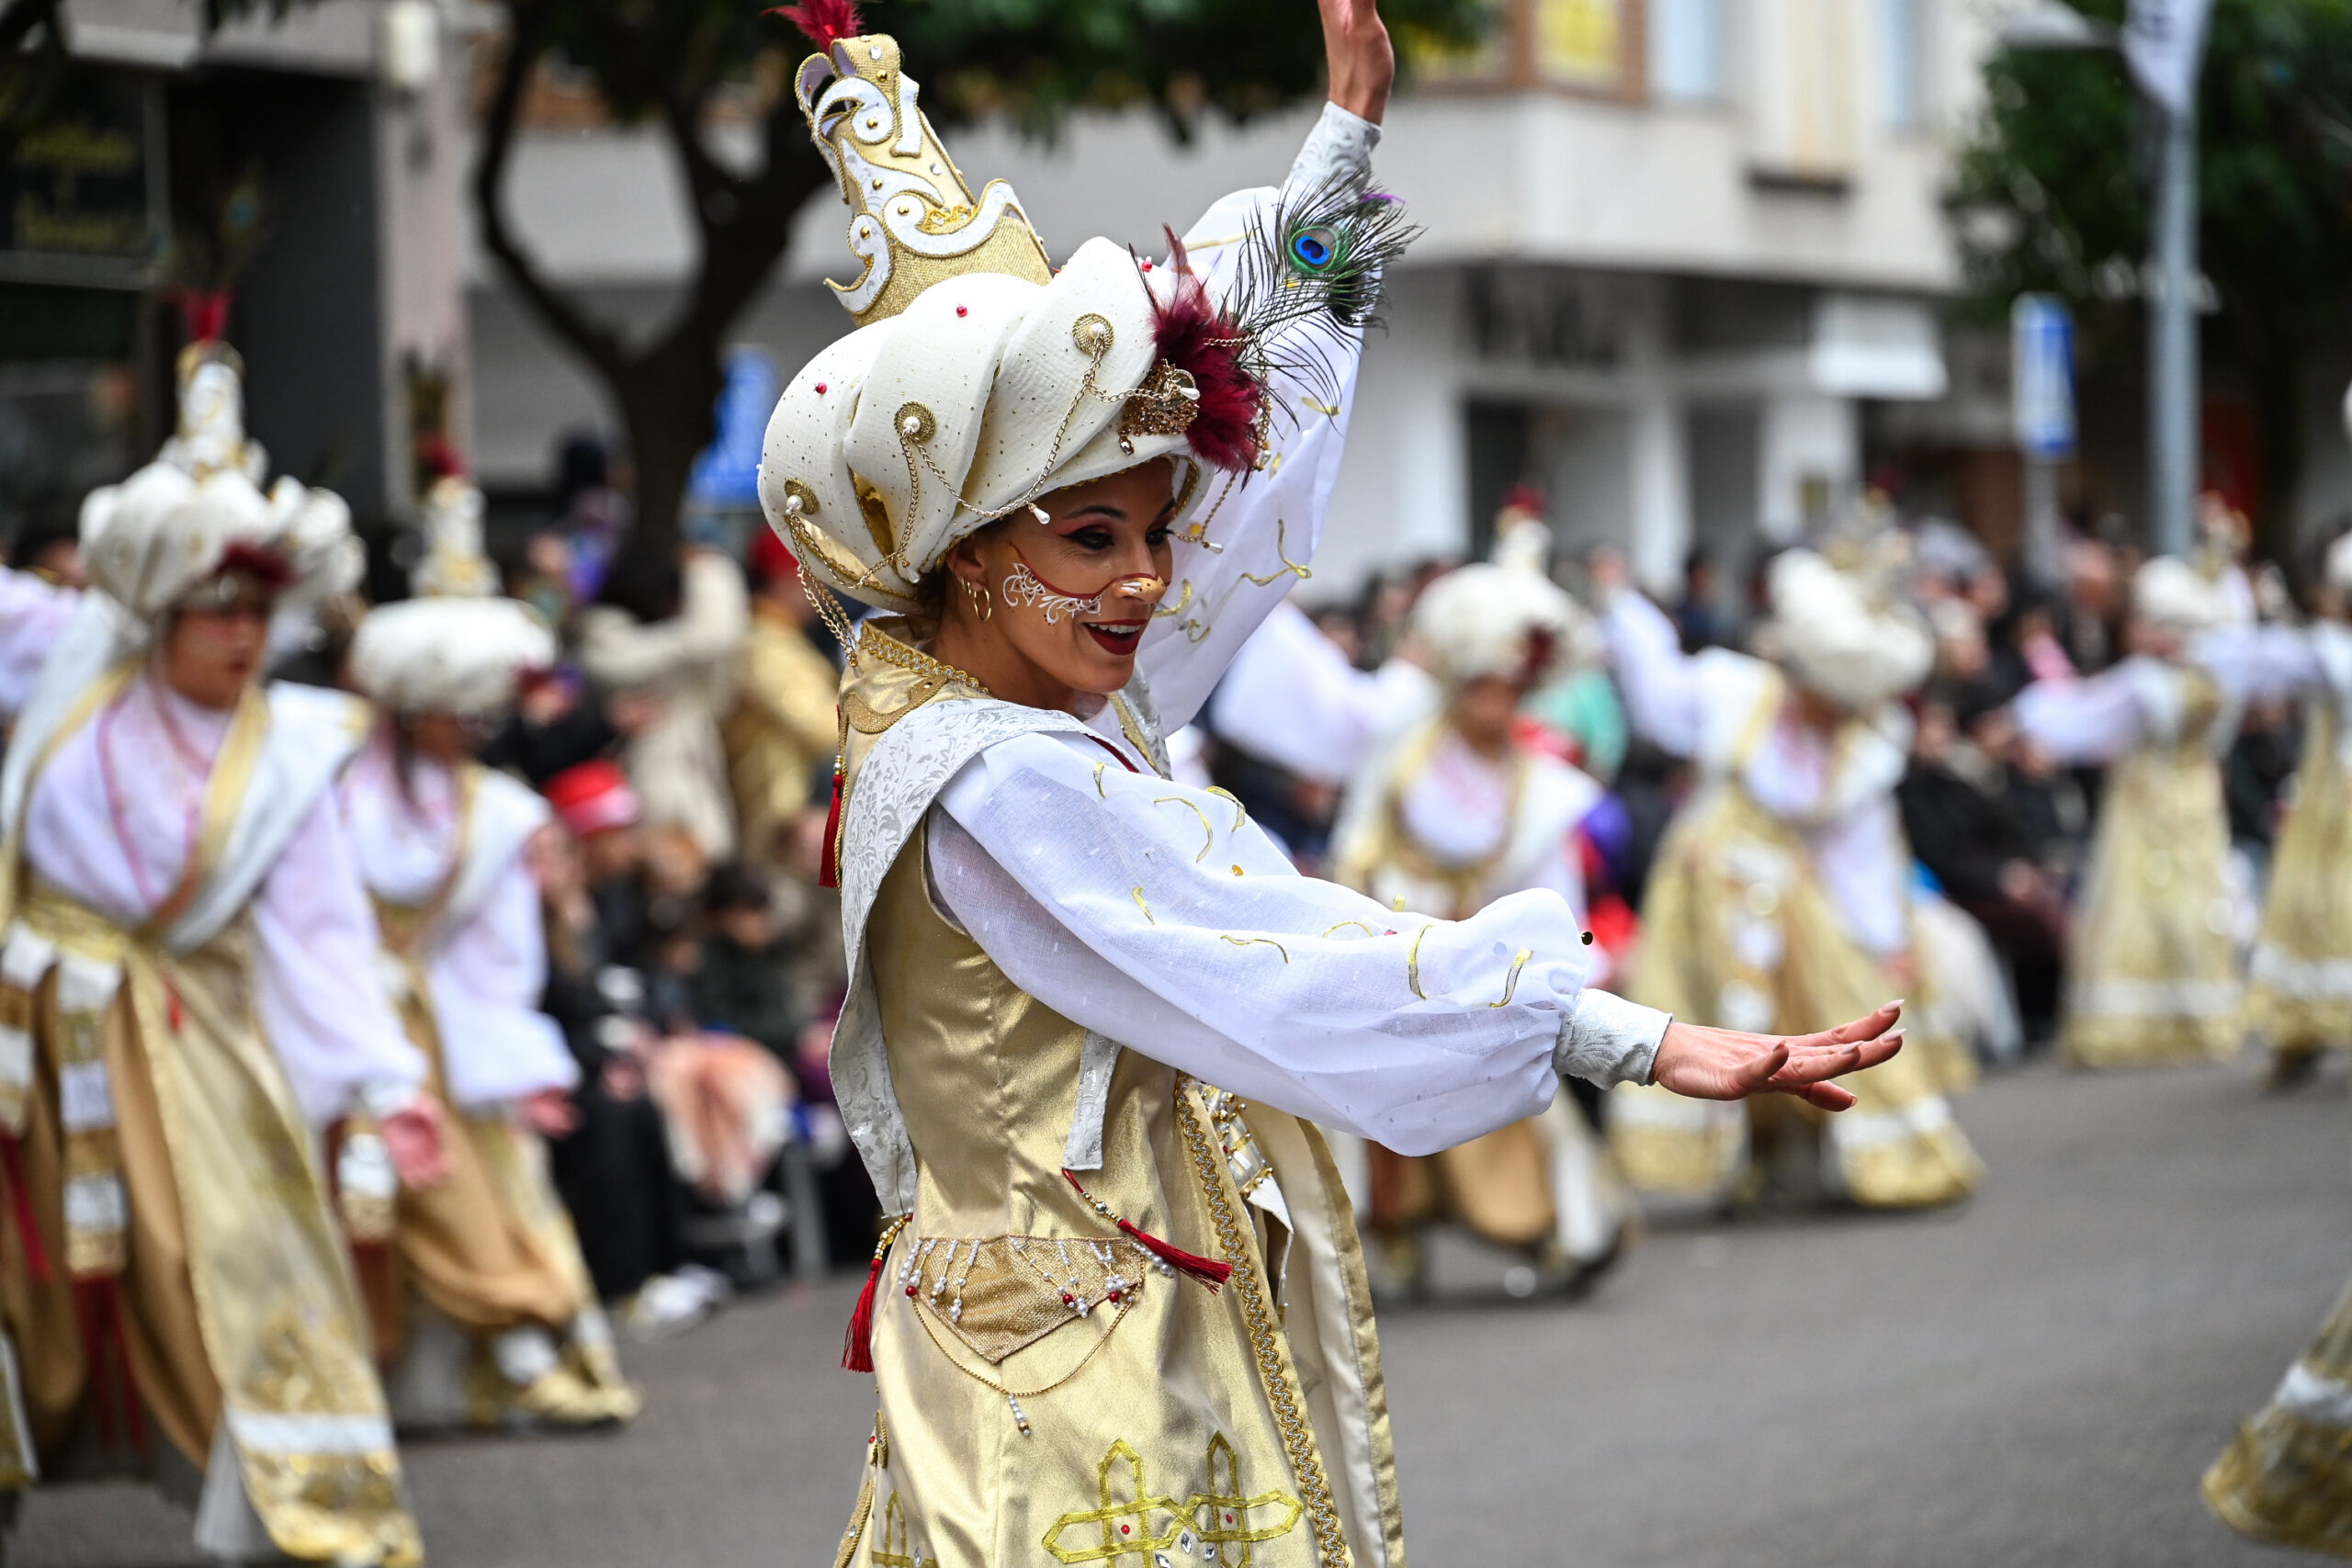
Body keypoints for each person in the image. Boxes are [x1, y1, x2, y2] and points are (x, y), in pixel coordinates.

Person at [758, 6, 1904, 1564]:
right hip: (1065, 1372)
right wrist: (1622, 1035)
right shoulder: (988, 770)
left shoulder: (994, 684)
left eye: (1150, 532)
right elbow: (1271, 947)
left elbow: (1248, 504)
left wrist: (1338, 156)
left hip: (1108, 1313)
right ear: (965, 558)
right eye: (1093, 538)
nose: (1151, 581)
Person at [0, 342, 435, 1565]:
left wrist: (381, 1089)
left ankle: (294, 1515)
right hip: (21, 1026)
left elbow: (318, 936)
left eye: (261, 606)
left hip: (183, 1038)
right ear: (158, 605)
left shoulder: (292, 751)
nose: (245, 632)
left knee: (227, 1256)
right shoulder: (63, 661)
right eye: (219, 604)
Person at [1596, 538, 1980, 1210]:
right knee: (1716, 1024)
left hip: (1801, 910)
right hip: (1709, 895)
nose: (1831, 710)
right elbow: (1658, 692)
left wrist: (1885, 938)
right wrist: (1623, 604)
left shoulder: (1868, 744)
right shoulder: (1734, 691)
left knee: (1827, 1014)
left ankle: (1867, 1152)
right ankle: (1751, 1160)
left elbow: (1861, 853)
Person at [340, 595, 640, 1428]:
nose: (476, 726)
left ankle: (519, 1355)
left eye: (487, 710)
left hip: (446, 1033)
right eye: (457, 710)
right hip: (331, 1017)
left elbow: (501, 957)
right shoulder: (332, 793)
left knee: (474, 1192)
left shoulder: (503, 814)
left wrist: (517, 1060)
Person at [1329, 524, 1630, 1298]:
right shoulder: (1405, 758)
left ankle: (1566, 1228)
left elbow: (1553, 889)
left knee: (1524, 1101)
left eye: (1509, 689)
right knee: (1385, 1099)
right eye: (1482, 687)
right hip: (1402, 951)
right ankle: (1392, 1234)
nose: (1495, 703)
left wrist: (1574, 961)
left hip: (1493, 966)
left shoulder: (1542, 784)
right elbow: (1357, 847)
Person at [2014, 557, 2260, 1068]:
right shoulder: (2218, 682)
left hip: (2146, 803)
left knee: (2138, 905)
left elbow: (2082, 724)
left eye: (2148, 621)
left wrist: (2027, 710)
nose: (2139, 630)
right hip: (2196, 802)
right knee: (2191, 902)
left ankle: (2135, 1023)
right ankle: (2197, 1015)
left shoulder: (2145, 683)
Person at [574, 539, 750, 864]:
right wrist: (708, 569)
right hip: (647, 794)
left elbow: (719, 640)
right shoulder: (606, 642)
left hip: (695, 783)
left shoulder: (670, 654)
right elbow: (709, 636)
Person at [723, 530, 843, 874]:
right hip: (779, 828)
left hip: (802, 822)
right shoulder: (762, 644)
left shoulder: (780, 639)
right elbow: (825, 728)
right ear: (787, 576)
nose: (825, 587)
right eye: (815, 574)